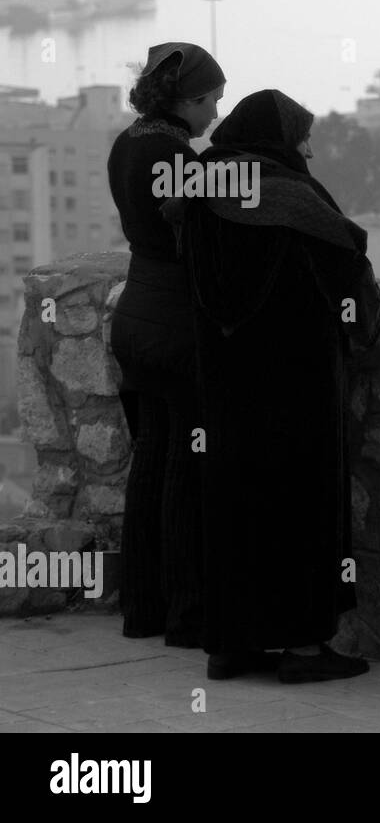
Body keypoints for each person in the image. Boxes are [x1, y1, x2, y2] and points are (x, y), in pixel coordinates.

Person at [169, 89, 380, 682]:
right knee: (299, 507)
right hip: (296, 383)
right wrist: (369, 318)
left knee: (233, 506)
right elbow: (345, 266)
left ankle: (231, 646)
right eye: (302, 137)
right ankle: (304, 649)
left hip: (225, 382)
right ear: (277, 139)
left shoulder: (202, 189)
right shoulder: (292, 197)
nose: (308, 150)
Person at [107, 42, 225, 645]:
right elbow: (195, 234)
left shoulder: (127, 142)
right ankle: (185, 615)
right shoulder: (174, 153)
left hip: (135, 313)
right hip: (176, 321)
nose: (215, 115)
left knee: (150, 457)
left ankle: (142, 606)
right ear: (186, 100)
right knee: (184, 460)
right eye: (210, 102)